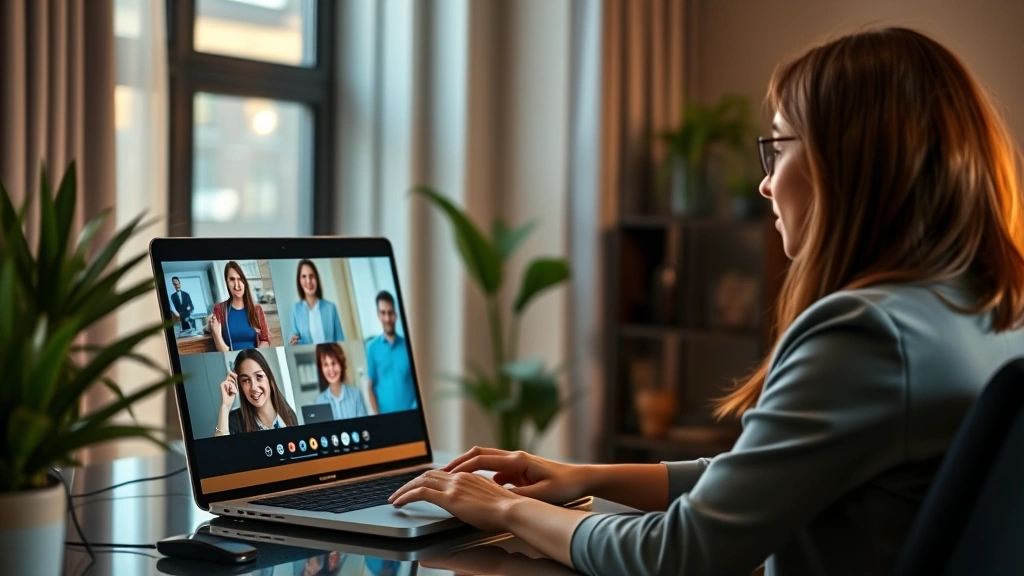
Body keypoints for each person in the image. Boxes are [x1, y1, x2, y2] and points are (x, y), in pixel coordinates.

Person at [387, 27, 1024, 575]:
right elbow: (765, 477)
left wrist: (503, 508)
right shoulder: (981, 313)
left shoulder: (865, 335)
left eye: (778, 145)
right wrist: (588, 476)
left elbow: (680, 554)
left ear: (852, 164)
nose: (765, 182)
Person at [215, 348, 298, 435]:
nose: (253, 387)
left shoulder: (289, 415)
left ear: (269, 378)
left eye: (259, 376)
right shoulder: (234, 421)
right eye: (246, 380)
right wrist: (225, 406)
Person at [364, 291, 418, 414]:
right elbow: (370, 387)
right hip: (387, 420)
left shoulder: (409, 346)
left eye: (390, 313)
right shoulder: (371, 348)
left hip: (411, 416)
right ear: (378, 315)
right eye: (383, 313)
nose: (387, 318)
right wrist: (379, 418)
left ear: (396, 314)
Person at [210, 261, 272, 351]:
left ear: (245, 282)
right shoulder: (219, 309)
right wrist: (216, 334)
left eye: (240, 279)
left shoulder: (257, 309)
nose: (237, 285)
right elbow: (221, 348)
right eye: (232, 279)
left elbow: (265, 340)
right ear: (227, 282)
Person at [289, 259, 345, 345]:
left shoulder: (331, 308)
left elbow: (341, 341)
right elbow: (295, 340)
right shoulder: (296, 310)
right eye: (304, 276)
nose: (308, 281)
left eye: (311, 276)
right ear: (299, 281)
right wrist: (294, 341)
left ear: (317, 279)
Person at [313, 343, 368, 420]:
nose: (331, 369)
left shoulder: (356, 395)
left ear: (341, 365)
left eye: (334, 363)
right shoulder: (320, 401)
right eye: (326, 364)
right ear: (321, 369)